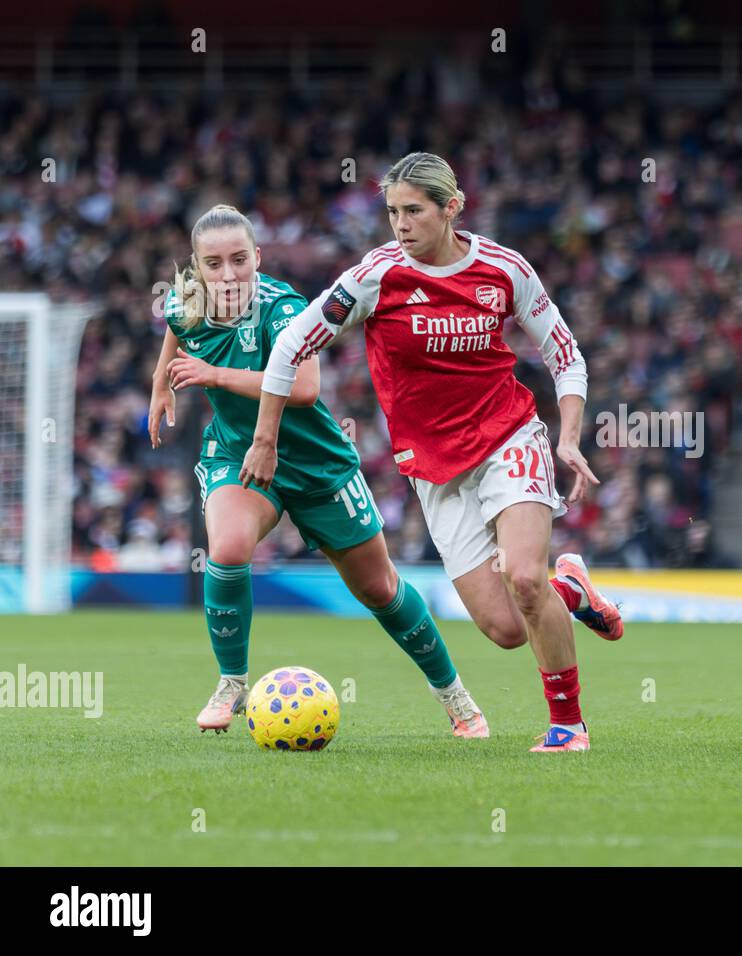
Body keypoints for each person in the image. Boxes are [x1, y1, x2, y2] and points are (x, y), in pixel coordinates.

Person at [239, 154, 623, 753]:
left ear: (452, 207)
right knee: (504, 629)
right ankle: (569, 588)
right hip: (435, 468)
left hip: (509, 436)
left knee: (523, 576)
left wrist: (568, 436)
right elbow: (291, 345)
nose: (400, 225)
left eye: (413, 211)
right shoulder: (375, 277)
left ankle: (567, 724)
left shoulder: (504, 269)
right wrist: (265, 436)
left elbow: (566, 355)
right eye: (392, 212)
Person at [149, 204, 488, 738]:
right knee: (228, 549)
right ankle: (232, 681)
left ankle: (456, 697)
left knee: (379, 589)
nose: (229, 274)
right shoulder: (184, 300)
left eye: (240, 259)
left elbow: (305, 388)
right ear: (197, 267)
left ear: (258, 258)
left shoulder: (283, 307)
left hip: (317, 466)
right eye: (213, 264)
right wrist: (159, 385)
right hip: (238, 455)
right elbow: (175, 330)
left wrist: (213, 374)